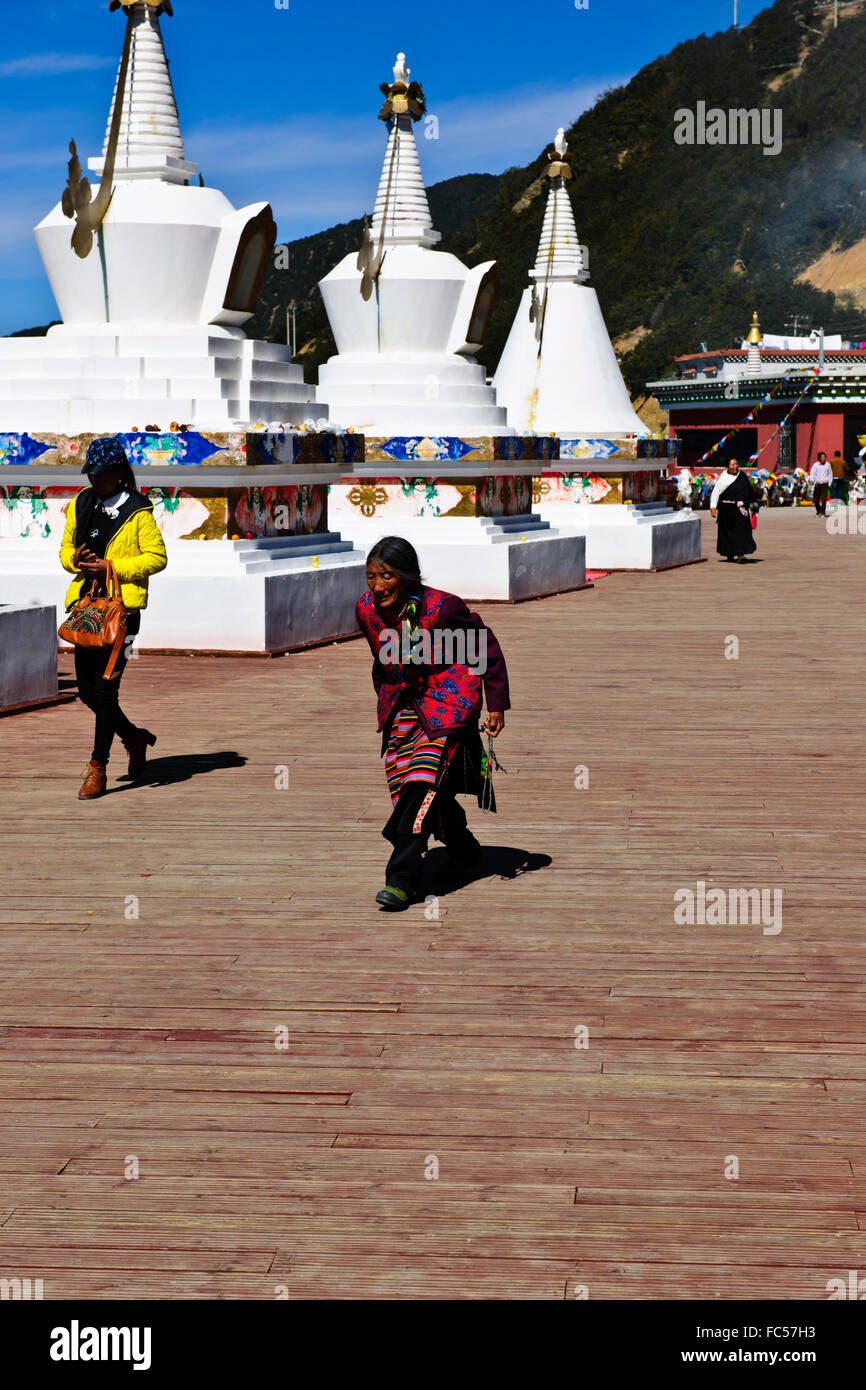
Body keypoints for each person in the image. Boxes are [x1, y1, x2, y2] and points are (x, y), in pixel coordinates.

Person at [356, 537, 510, 911]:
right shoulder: (365, 609)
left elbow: (483, 646)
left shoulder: (443, 607)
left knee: (421, 781)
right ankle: (460, 843)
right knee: (407, 785)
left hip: (448, 702)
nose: (377, 587)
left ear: (407, 576)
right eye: (371, 577)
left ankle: (401, 879)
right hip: (402, 707)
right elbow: (381, 657)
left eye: (386, 577)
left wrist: (496, 704)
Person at [59, 436, 167, 800]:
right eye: (92, 474)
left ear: (120, 473)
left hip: (122, 614)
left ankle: (97, 767)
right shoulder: (81, 503)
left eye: (103, 475)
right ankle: (134, 737)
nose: (96, 481)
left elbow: (156, 558)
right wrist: (75, 560)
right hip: (86, 609)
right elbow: (64, 549)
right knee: (89, 693)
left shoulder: (138, 511)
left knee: (106, 689)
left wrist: (112, 567)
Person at [710, 458, 759, 562]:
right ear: (727, 467)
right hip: (725, 510)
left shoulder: (742, 476)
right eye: (732, 465)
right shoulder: (722, 478)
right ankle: (729, 553)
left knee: (741, 531)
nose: (735, 466)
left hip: (740, 509)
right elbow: (715, 492)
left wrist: (753, 507)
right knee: (727, 532)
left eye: (736, 464)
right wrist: (713, 507)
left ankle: (740, 554)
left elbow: (749, 493)